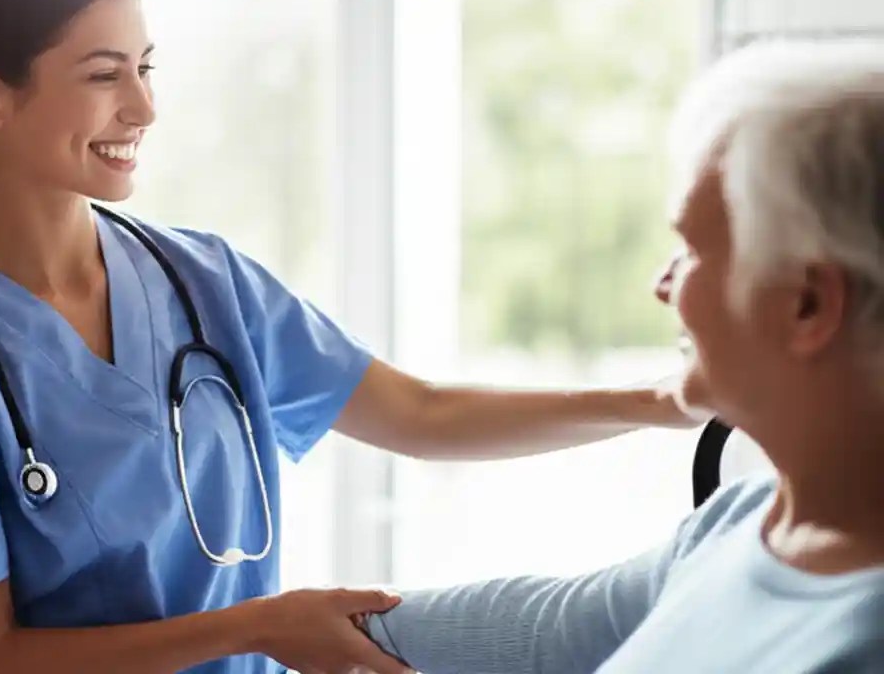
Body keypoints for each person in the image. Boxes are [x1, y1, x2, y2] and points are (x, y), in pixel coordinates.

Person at [0, 0, 690, 672]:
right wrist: (255, 626)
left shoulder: (204, 281)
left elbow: (423, 413)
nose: (143, 108)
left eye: (146, 67)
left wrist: (651, 404)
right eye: (104, 75)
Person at [359, 39, 884, 673]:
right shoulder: (743, 521)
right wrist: (300, 623)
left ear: (807, 304)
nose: (662, 285)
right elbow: (550, 632)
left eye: (691, 252)